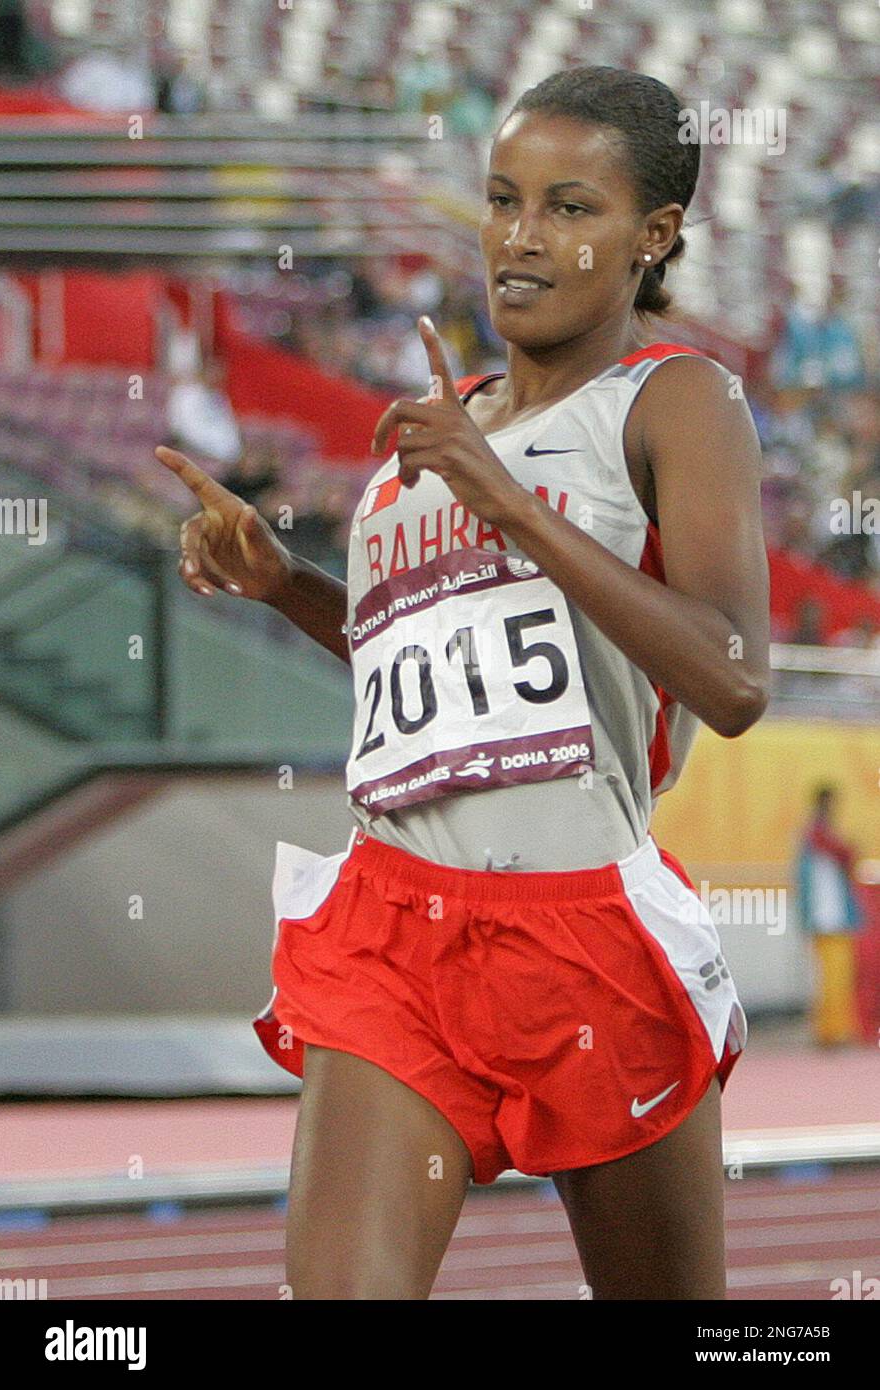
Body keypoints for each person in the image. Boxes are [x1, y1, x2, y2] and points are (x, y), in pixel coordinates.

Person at [156, 65, 770, 1300]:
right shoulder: (429, 432)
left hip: (586, 932)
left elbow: (736, 678)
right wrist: (285, 584)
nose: (521, 237)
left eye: (570, 207)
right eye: (502, 200)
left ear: (653, 238)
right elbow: (442, 685)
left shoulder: (672, 402)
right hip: (396, 928)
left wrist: (497, 493)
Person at [795, 785, 863, 1046]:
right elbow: (846, 854)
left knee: (840, 977)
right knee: (827, 979)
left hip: (838, 917)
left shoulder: (827, 836)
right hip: (823, 918)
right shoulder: (814, 837)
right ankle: (828, 1032)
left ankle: (838, 1030)